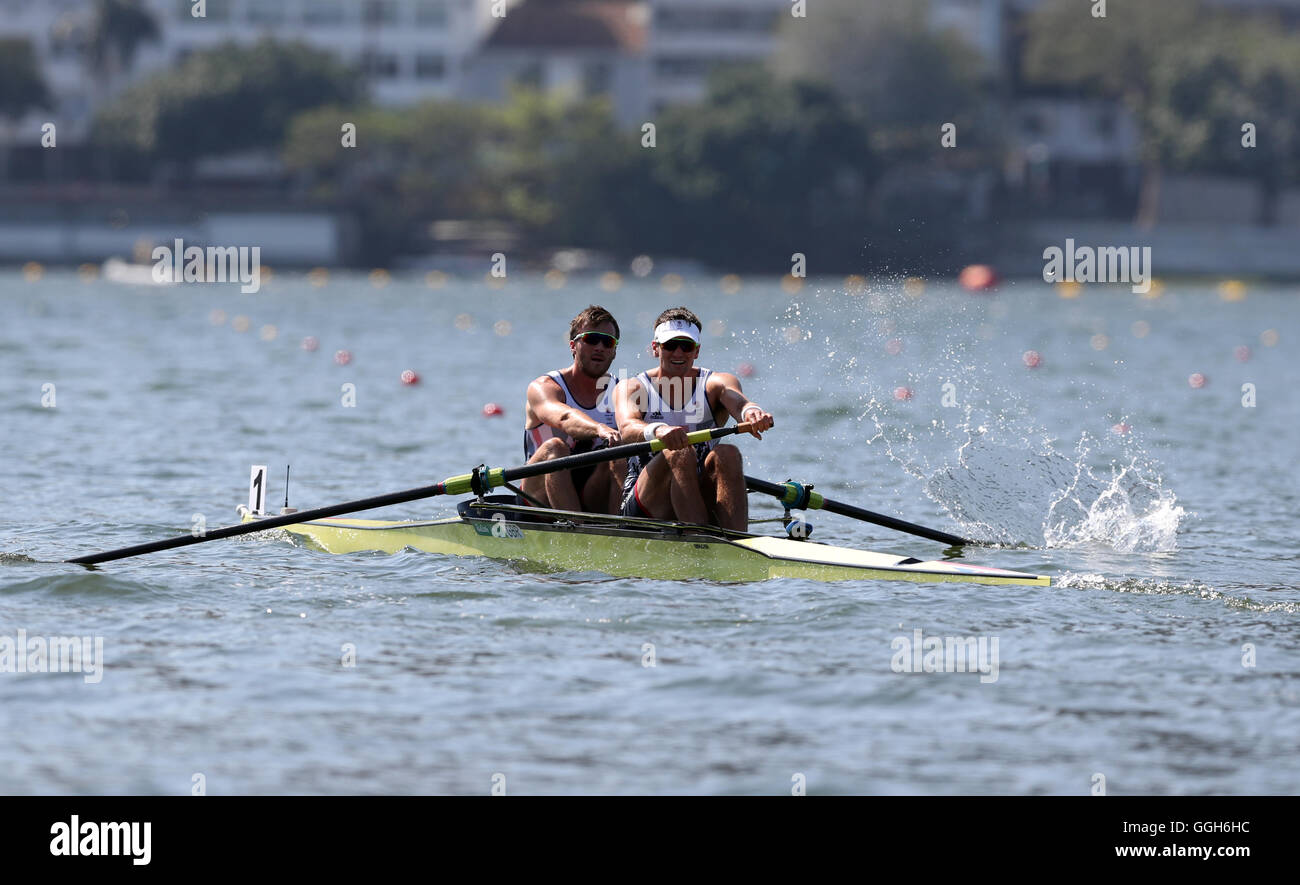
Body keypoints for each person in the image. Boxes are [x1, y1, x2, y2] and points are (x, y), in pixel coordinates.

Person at [613, 307, 774, 530]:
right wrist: (659, 430)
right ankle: (700, 541)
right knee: (679, 450)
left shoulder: (715, 383)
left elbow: (740, 403)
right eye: (670, 345)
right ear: (655, 348)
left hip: (697, 493)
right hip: (645, 504)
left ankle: (737, 542)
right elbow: (627, 428)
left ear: (696, 351)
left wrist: (752, 413)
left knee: (728, 453)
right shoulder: (632, 387)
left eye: (686, 346)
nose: (678, 353)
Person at [520, 305, 625, 513]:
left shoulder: (622, 392)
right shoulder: (543, 387)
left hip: (593, 490)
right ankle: (574, 526)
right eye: (591, 339)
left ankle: (620, 531)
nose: (600, 347)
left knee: (619, 454)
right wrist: (600, 429)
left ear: (614, 351)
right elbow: (565, 418)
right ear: (573, 346)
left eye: (608, 342)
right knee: (555, 447)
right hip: (539, 497)